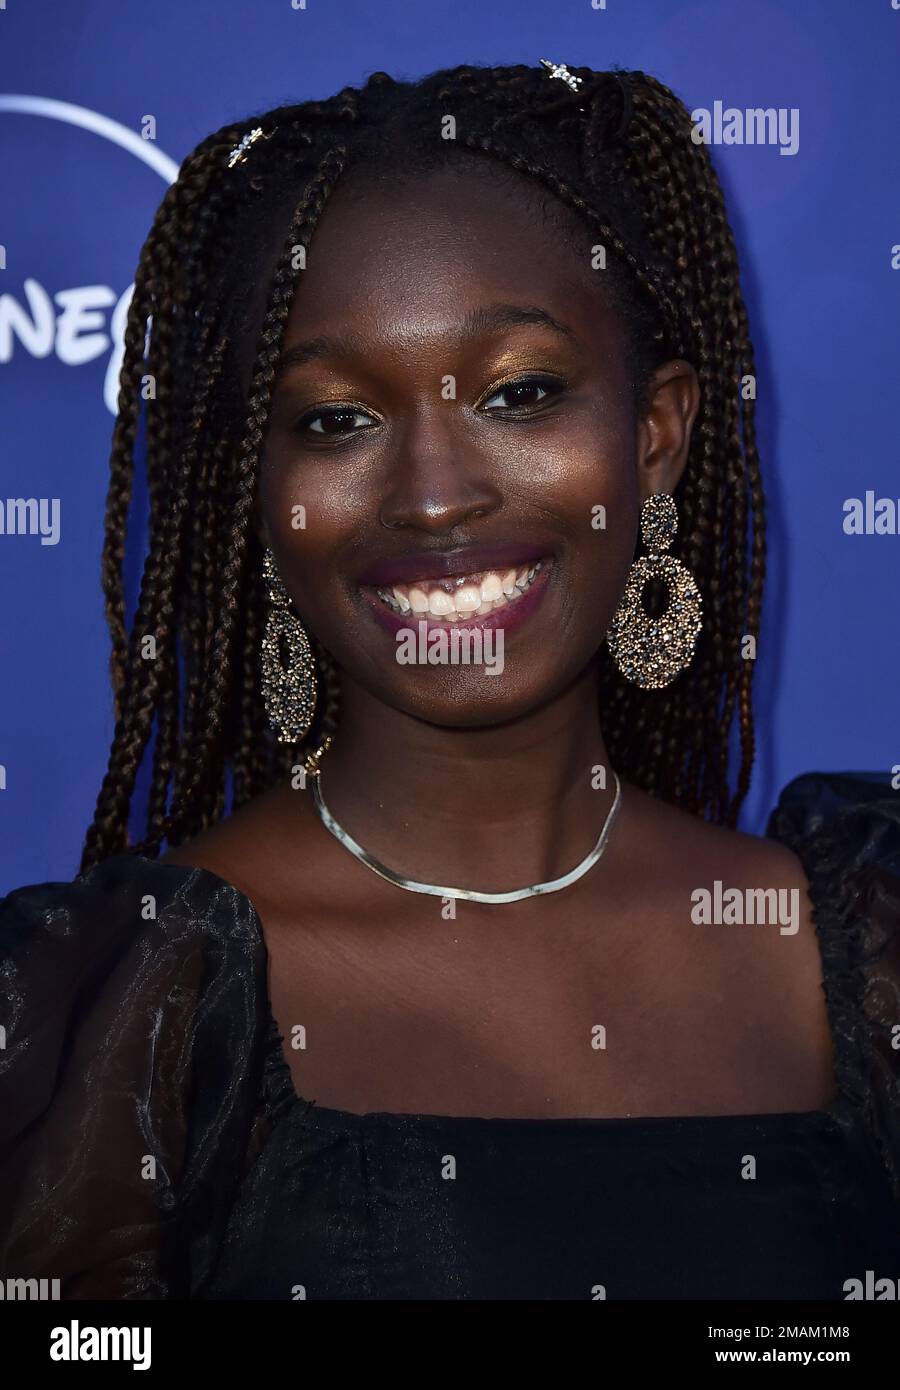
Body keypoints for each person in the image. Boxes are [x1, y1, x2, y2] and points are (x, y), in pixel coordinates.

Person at [1, 59, 898, 1301]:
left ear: (656, 436)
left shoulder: (855, 948)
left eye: (520, 393)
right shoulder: (130, 1005)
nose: (432, 492)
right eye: (334, 419)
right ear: (260, 501)